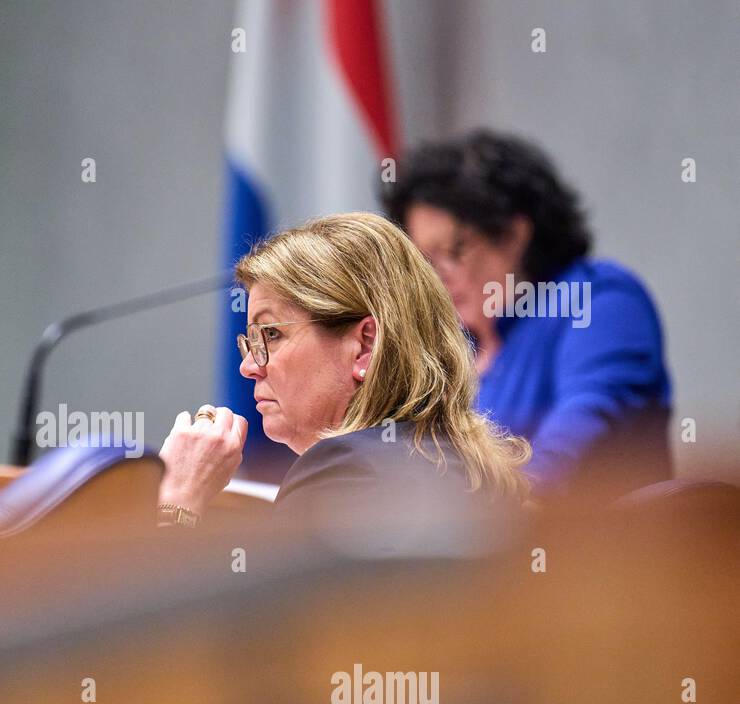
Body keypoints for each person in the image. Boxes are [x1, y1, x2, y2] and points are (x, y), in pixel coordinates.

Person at [154, 212, 530, 531]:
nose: (249, 366)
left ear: (365, 346)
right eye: (251, 341)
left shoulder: (342, 473)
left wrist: (178, 497)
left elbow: (214, 622)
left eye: (271, 333)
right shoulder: (469, 466)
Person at [380, 129, 673, 498]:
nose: (437, 277)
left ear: (515, 234)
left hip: (606, 548)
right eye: (425, 260)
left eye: (455, 250)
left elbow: (578, 440)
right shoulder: (448, 344)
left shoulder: (600, 300)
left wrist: (478, 518)